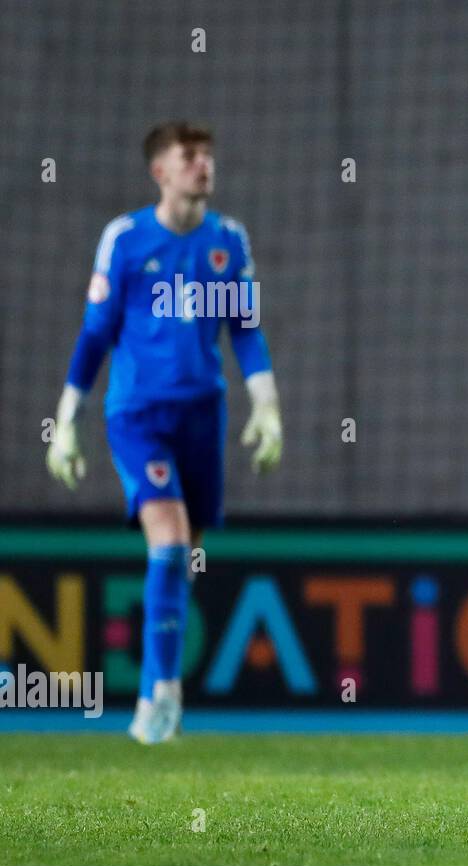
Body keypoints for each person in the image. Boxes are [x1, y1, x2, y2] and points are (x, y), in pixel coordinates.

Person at [45, 121, 283, 744]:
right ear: (160, 171)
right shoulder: (124, 240)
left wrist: (268, 406)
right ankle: (162, 702)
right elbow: (95, 335)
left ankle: (158, 697)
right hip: (137, 415)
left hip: (203, 415)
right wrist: (66, 421)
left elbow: (246, 331)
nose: (203, 165)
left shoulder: (228, 242)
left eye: (207, 154)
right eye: (189, 156)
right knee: (172, 542)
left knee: (185, 556)